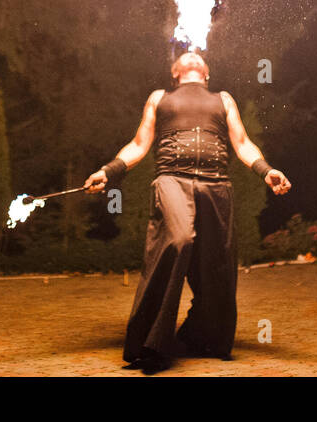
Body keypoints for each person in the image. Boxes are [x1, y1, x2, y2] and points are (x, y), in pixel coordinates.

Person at [84, 51, 291, 372]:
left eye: (199, 57)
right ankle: (150, 343)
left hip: (216, 185)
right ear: (174, 72)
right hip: (172, 180)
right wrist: (108, 171)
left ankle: (200, 336)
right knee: (178, 240)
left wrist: (266, 170)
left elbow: (242, 142)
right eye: (185, 56)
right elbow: (139, 144)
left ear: (206, 73)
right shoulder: (160, 97)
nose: (193, 56)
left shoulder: (224, 99)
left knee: (216, 266)